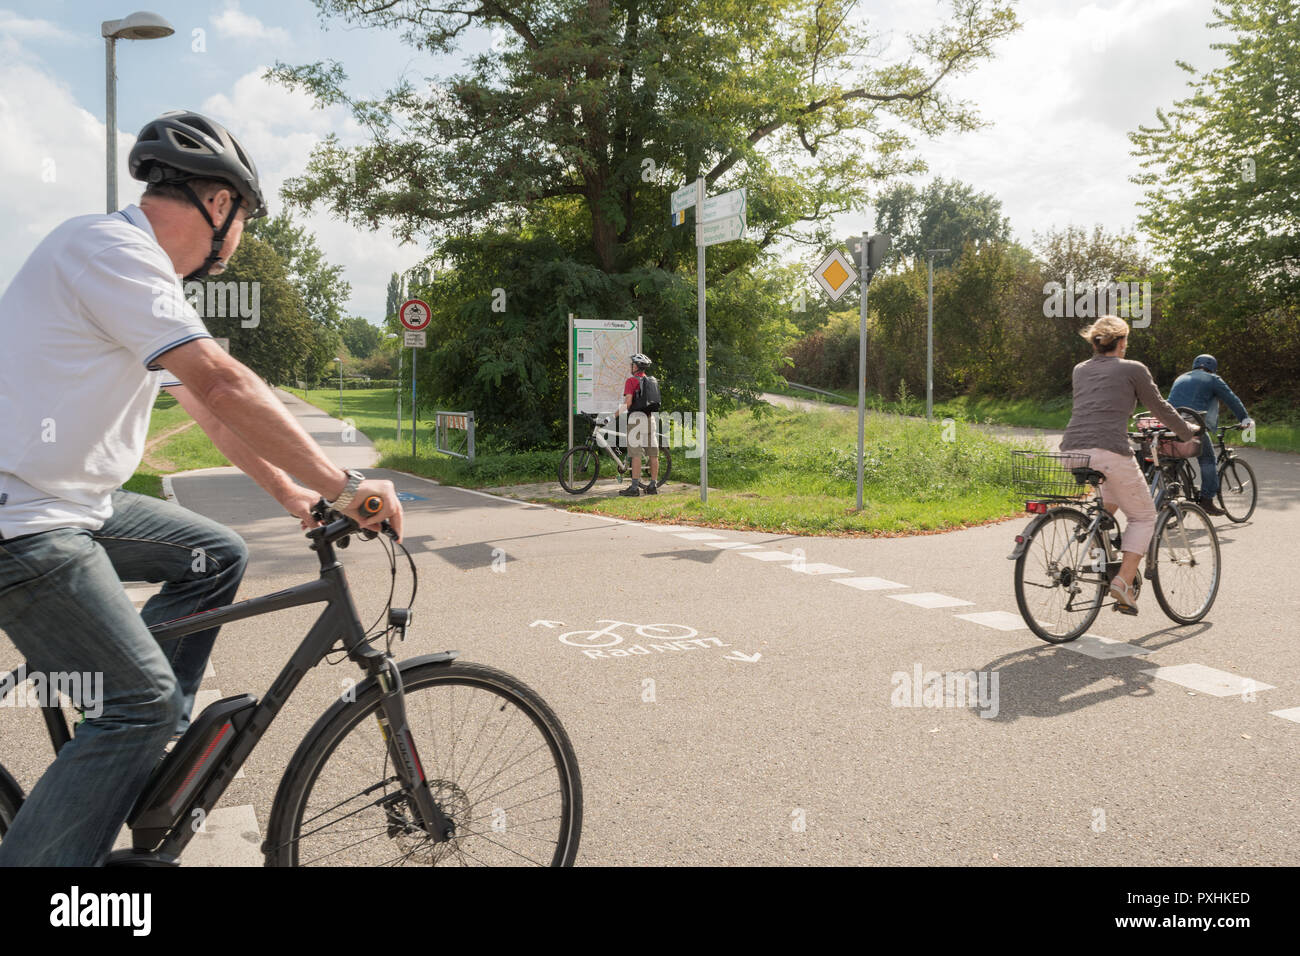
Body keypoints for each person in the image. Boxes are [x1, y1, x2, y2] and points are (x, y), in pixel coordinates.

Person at [0, 110, 403, 867]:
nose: (242, 233)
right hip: (25, 521)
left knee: (212, 554)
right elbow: (222, 384)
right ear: (220, 206)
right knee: (140, 701)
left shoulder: (134, 269)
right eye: (246, 216)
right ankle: (128, 730)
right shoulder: (110, 250)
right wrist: (347, 486)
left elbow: (204, 409)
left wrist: (296, 498)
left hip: (66, 502)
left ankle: (128, 748)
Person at [1058, 316, 1198, 614]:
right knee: (1144, 516)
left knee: (1109, 502)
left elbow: (1097, 406)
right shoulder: (1133, 368)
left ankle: (1097, 551)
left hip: (1071, 449)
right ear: (1121, 342)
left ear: (1095, 342)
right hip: (1108, 450)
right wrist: (1187, 431)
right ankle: (1122, 581)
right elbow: (1159, 406)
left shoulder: (1080, 370)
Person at [1167, 354, 1254, 517]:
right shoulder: (1213, 379)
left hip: (1170, 422)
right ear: (1213, 368)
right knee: (1207, 460)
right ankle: (1207, 501)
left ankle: (1172, 490)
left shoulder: (1181, 377)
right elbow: (1231, 399)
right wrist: (1244, 418)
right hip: (1192, 424)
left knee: (1175, 456)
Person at [616, 353, 660, 497]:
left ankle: (634, 488)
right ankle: (653, 486)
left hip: (636, 419)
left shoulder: (631, 381)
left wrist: (613, 415)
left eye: (633, 364)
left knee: (635, 454)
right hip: (649, 418)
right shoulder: (650, 381)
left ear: (636, 367)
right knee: (653, 454)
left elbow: (628, 403)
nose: (631, 366)